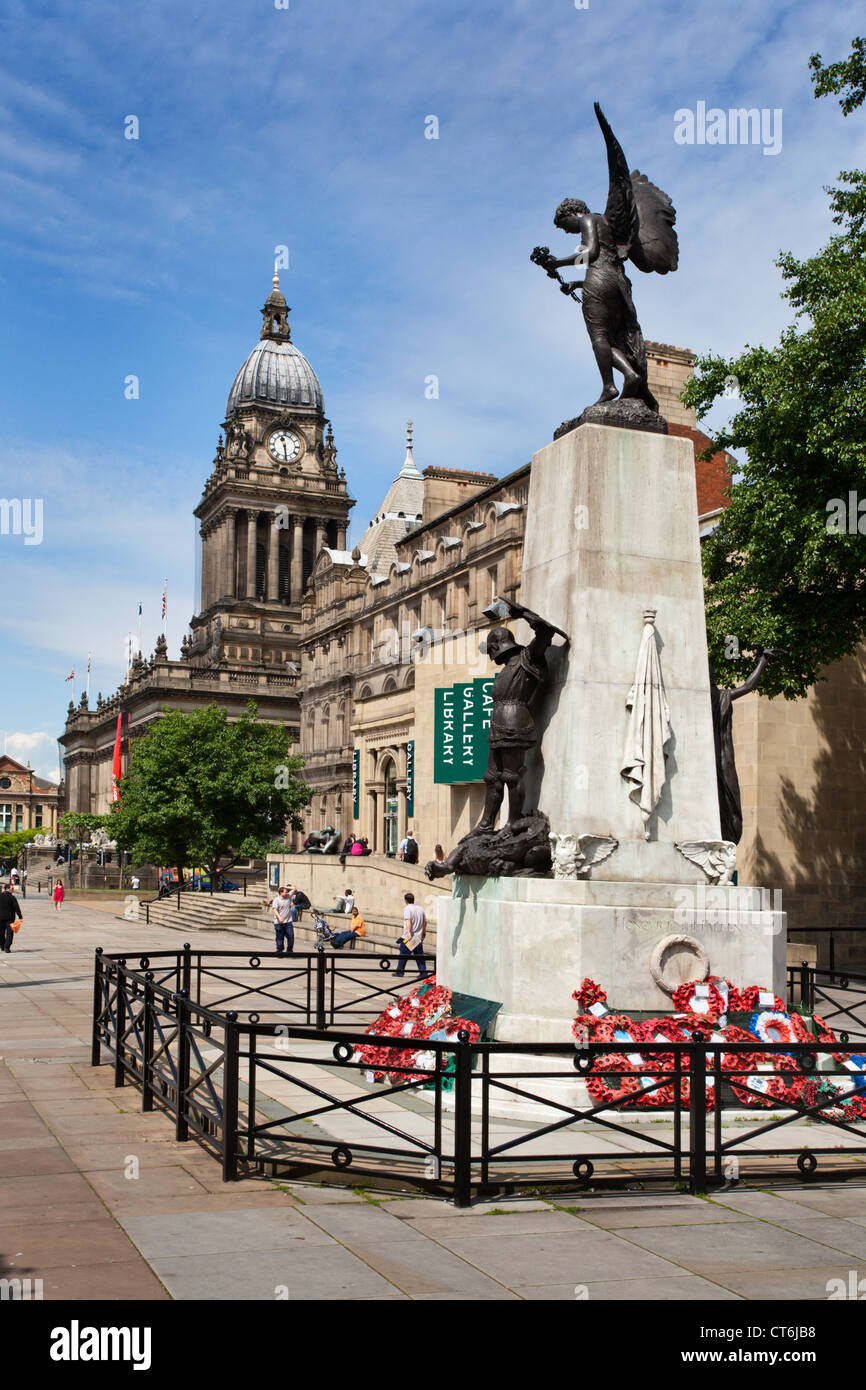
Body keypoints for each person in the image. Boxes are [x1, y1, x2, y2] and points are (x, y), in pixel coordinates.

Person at [395, 892, 429, 978]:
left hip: (410, 937)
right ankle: (423, 973)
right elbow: (425, 921)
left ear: (406, 900)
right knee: (419, 956)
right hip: (418, 937)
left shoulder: (407, 909)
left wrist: (408, 932)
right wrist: (424, 932)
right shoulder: (420, 909)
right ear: (413, 900)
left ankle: (400, 972)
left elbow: (408, 921)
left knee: (403, 954)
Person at [270, 884, 294, 955]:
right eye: (285, 892)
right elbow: (274, 910)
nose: (286, 893)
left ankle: (289, 951)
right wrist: (279, 917)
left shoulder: (288, 896)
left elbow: (294, 888)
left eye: (287, 892)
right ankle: (279, 950)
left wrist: (285, 887)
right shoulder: (276, 900)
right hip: (278, 922)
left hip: (288, 921)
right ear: (281, 893)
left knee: (291, 936)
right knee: (280, 937)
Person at [0, 883, 22, 953]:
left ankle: (2, 946)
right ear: (7, 889)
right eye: (11, 888)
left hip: (1, 917)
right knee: (9, 933)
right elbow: (16, 908)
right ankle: (7, 947)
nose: (12, 890)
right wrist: (20, 916)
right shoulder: (12, 897)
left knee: (1, 933)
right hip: (10, 918)